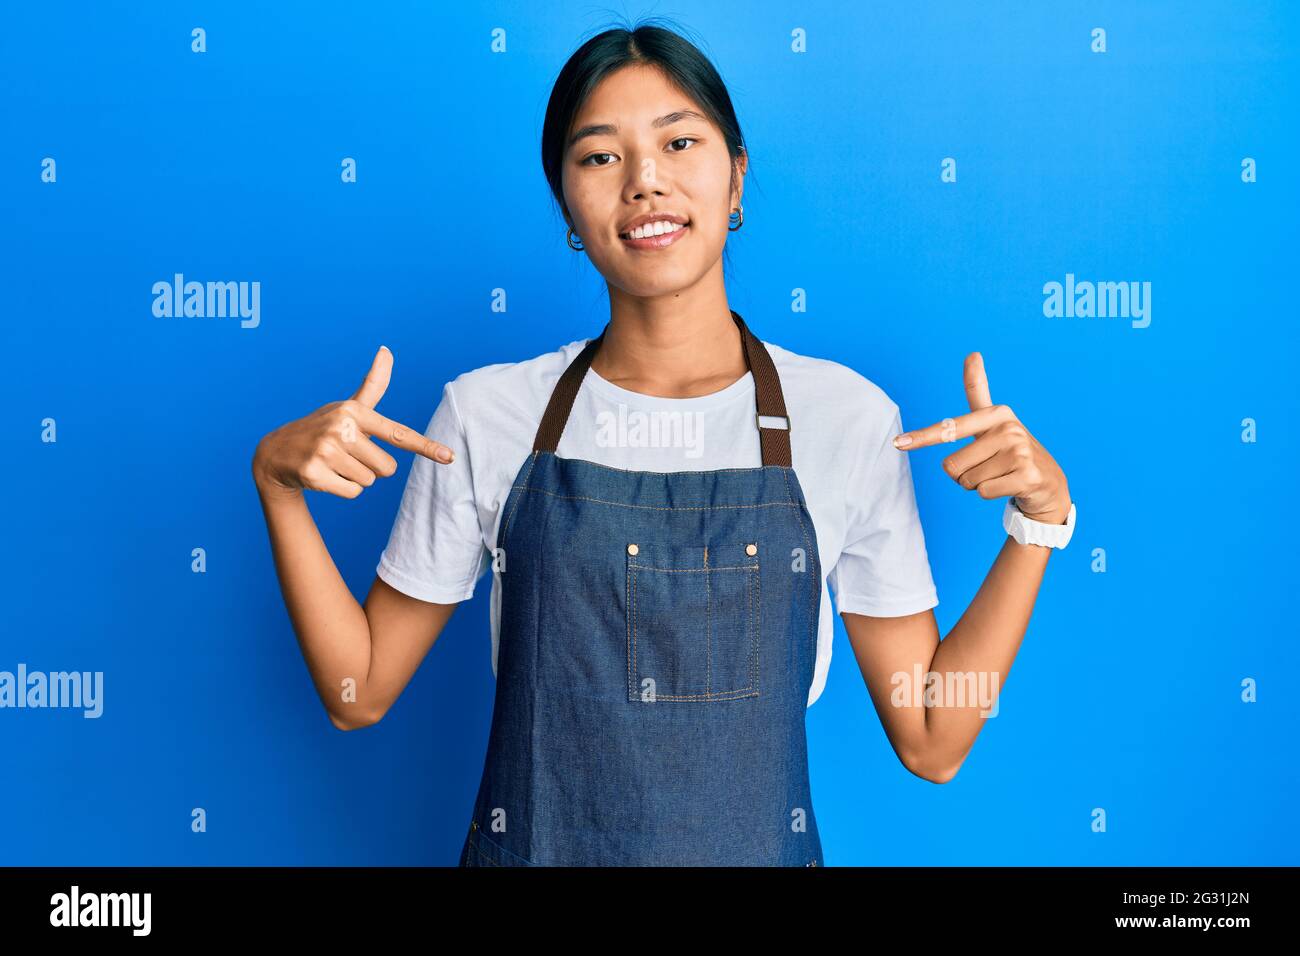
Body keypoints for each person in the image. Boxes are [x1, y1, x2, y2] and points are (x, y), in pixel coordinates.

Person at [251, 20, 1074, 867]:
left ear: (737, 175)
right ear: (566, 203)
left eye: (680, 141)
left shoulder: (848, 419)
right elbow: (359, 691)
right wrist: (278, 489)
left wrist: (1038, 527)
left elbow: (933, 739)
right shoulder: (485, 414)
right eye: (600, 156)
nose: (645, 181)